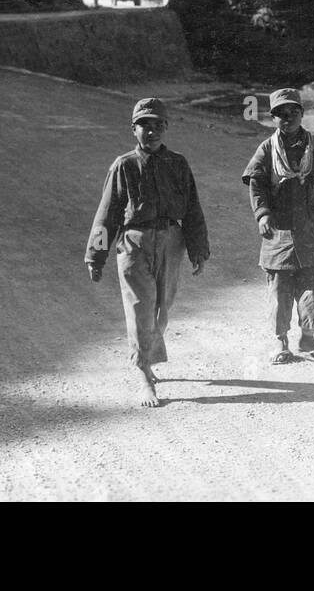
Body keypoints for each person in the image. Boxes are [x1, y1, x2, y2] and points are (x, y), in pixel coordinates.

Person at [85, 97, 209, 408]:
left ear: (165, 128)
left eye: (157, 125)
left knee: (162, 309)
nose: (151, 132)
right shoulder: (124, 165)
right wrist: (95, 255)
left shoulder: (178, 164)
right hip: (134, 243)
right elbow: (107, 213)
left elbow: (192, 208)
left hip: (171, 239)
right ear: (133, 129)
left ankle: (148, 358)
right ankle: (142, 371)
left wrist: (198, 249)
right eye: (144, 125)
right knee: (141, 307)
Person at [241, 88, 314, 364]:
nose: (287, 118)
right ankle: (280, 341)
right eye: (280, 114)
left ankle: (308, 339)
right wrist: (262, 215)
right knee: (280, 289)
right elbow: (256, 185)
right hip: (280, 232)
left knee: (313, 286)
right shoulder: (267, 149)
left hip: (313, 229)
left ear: (301, 114)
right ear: (273, 117)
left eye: (292, 113)